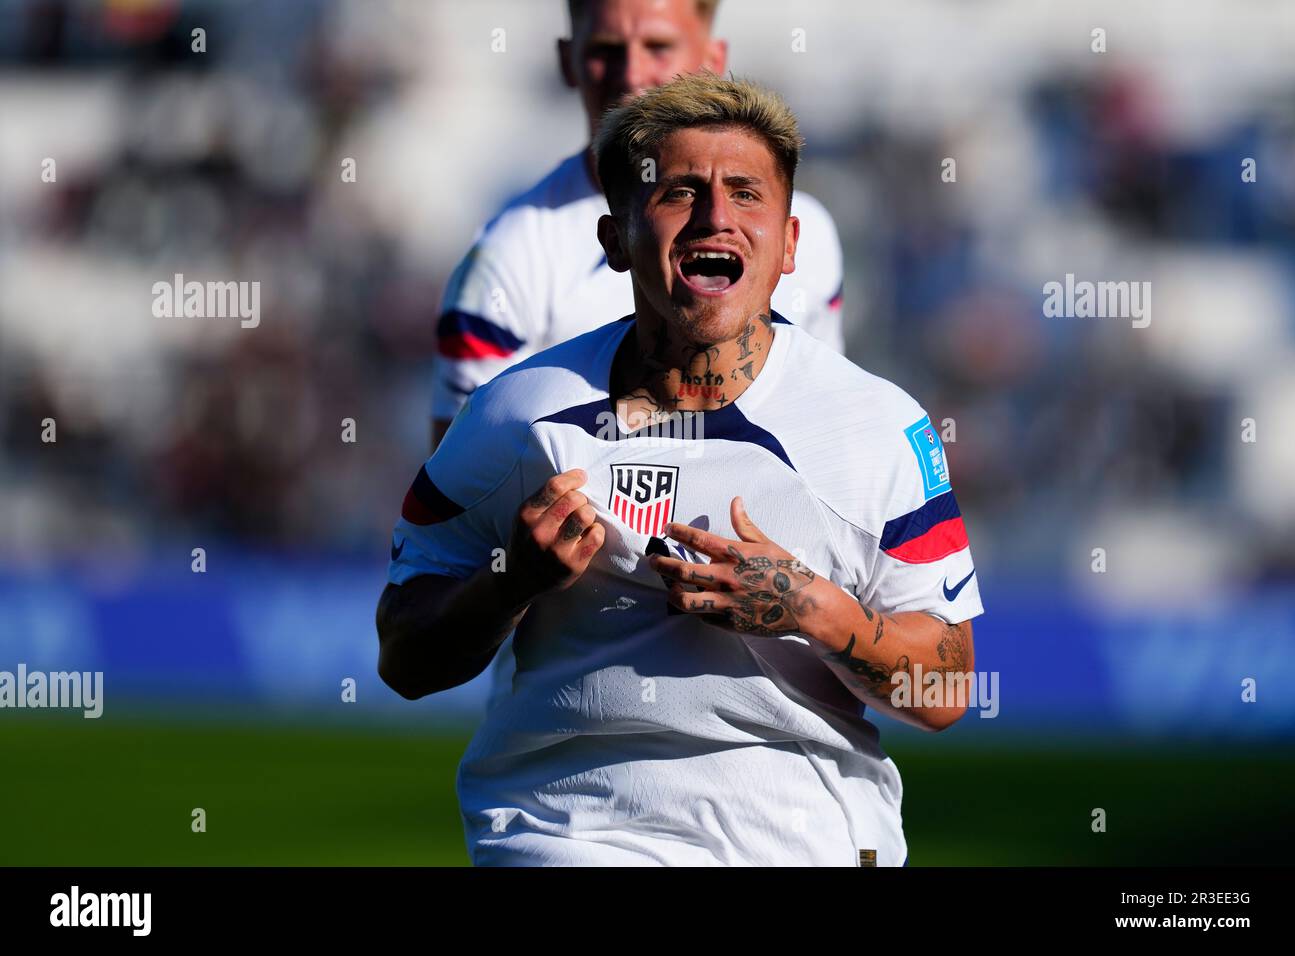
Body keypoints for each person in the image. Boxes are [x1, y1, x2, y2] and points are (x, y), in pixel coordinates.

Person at [377, 73, 983, 866]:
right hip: (574, 832)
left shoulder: (878, 429)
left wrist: (811, 609)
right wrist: (510, 582)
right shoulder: (514, 416)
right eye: (678, 193)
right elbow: (403, 659)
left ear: (790, 243)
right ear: (615, 240)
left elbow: (944, 692)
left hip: (812, 838)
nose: (716, 218)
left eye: (745, 193)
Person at [434, 0, 847, 709]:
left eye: (657, 44)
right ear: (568, 62)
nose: (630, 74)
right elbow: (461, 525)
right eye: (604, 50)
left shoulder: (803, 239)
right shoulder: (507, 263)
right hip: (588, 705)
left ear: (713, 58)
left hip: (783, 691)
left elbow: (827, 446)